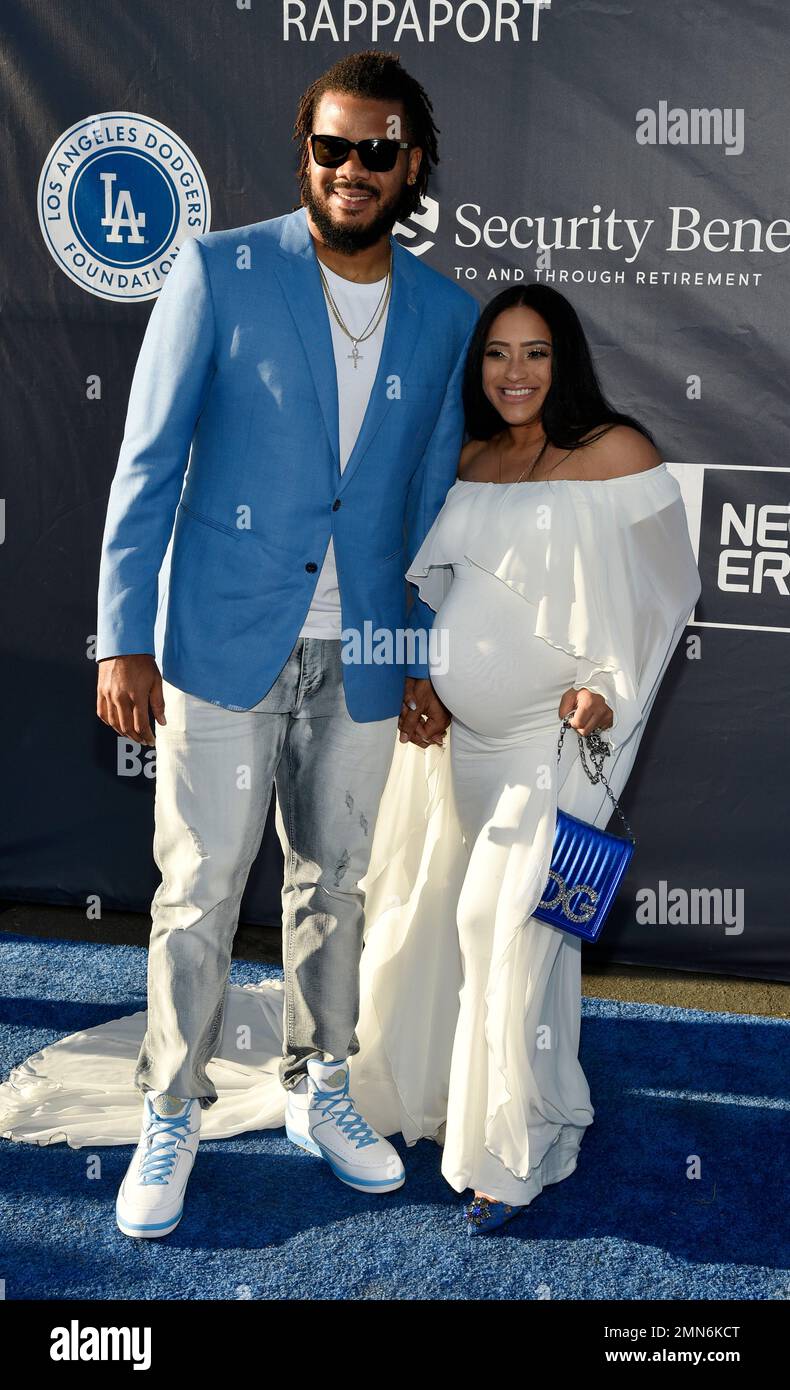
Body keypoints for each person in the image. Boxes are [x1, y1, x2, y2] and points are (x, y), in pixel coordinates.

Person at [0, 283, 700, 1241]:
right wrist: (424, 669)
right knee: (441, 920)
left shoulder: (612, 451)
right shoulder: (471, 457)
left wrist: (608, 683)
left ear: (565, 360)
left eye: (536, 353)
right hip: (460, 742)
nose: (514, 373)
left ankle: (507, 1155)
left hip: (558, 741)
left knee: (502, 922)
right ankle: (431, 1100)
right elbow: (436, 578)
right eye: (496, 354)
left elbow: (666, 578)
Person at [93, 48, 478, 1237]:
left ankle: (321, 1086)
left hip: (357, 647)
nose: (351, 170)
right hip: (217, 637)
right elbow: (147, 464)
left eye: (377, 150)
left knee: (336, 884)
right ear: (303, 151)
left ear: (410, 164)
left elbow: (422, 508)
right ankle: (172, 1105)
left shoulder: (448, 314)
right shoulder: (217, 272)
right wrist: (121, 636)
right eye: (332, 147)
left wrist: (411, 651)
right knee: (199, 884)